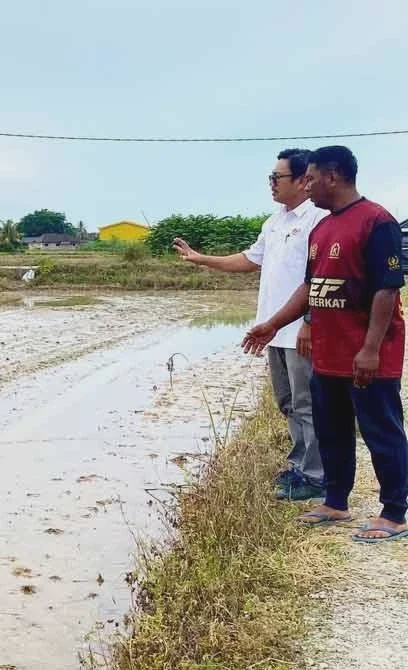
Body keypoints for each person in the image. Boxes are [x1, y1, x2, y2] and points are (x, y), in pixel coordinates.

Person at [243, 145, 408, 543]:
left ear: (332, 176)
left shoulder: (376, 221)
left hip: (367, 355)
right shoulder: (322, 228)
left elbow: (387, 291)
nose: (308, 185)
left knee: (381, 430)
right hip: (327, 355)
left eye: (312, 178)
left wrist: (370, 349)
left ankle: (395, 512)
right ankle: (336, 501)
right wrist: (272, 324)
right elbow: (311, 287)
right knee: (332, 431)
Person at [173, 149, 329, 500]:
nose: (271, 184)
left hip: (301, 330)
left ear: (304, 181)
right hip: (273, 329)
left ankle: (317, 476)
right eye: (270, 178)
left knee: (308, 404)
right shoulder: (274, 222)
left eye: (278, 177)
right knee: (288, 403)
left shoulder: (318, 220)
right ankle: (300, 467)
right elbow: (249, 259)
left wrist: (310, 320)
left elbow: (322, 277)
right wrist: (202, 259)